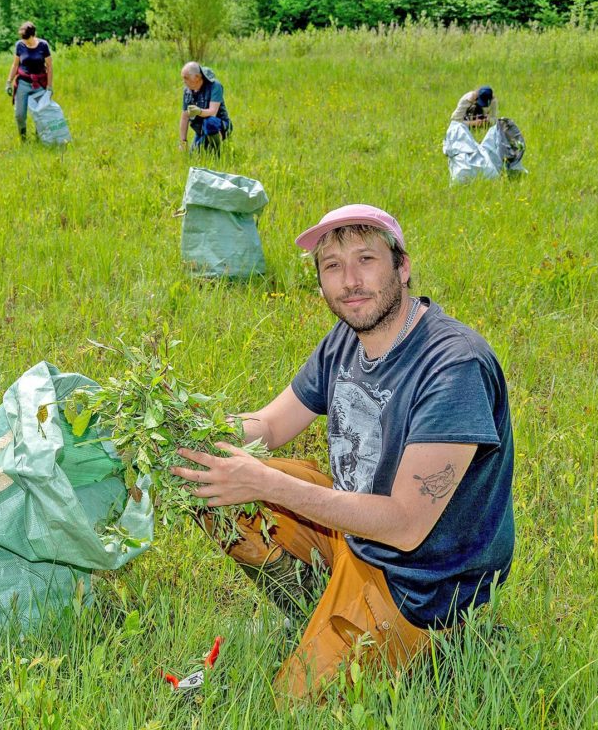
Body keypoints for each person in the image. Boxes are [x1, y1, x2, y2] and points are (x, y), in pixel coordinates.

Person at [171, 204, 514, 703]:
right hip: (355, 534)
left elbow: (405, 524)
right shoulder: (345, 341)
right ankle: (319, 605)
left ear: (403, 266)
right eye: (332, 266)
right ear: (320, 283)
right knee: (211, 484)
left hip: (424, 582)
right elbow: (268, 424)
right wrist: (184, 435)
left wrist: (265, 483)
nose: (350, 280)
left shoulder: (452, 366)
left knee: (291, 706)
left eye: (365, 259)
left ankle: (442, 646)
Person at [5, 21, 53, 142]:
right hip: (23, 84)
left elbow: (50, 66)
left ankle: (39, 138)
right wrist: (8, 81)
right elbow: (15, 64)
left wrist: (49, 86)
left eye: (27, 39)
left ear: (33, 35)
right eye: (24, 39)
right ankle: (23, 138)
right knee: (19, 115)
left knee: (40, 113)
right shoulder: (19, 45)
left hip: (39, 84)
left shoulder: (43, 45)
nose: (25, 41)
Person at [178, 62, 231, 153]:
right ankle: (205, 146)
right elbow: (185, 116)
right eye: (183, 78)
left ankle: (217, 152)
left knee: (209, 122)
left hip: (218, 126)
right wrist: (183, 141)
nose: (184, 81)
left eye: (186, 78)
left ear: (197, 77)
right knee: (194, 155)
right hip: (201, 130)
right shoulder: (187, 91)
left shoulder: (215, 86)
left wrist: (199, 111)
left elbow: (213, 112)